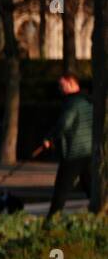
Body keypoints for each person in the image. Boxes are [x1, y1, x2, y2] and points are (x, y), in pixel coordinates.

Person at [36, 73, 92, 224]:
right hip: (89, 151)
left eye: (62, 85)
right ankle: (97, 216)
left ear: (72, 83)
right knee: (90, 188)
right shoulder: (89, 101)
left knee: (62, 188)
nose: (60, 89)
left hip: (74, 152)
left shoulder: (72, 103)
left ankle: (51, 221)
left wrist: (50, 139)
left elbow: (65, 123)